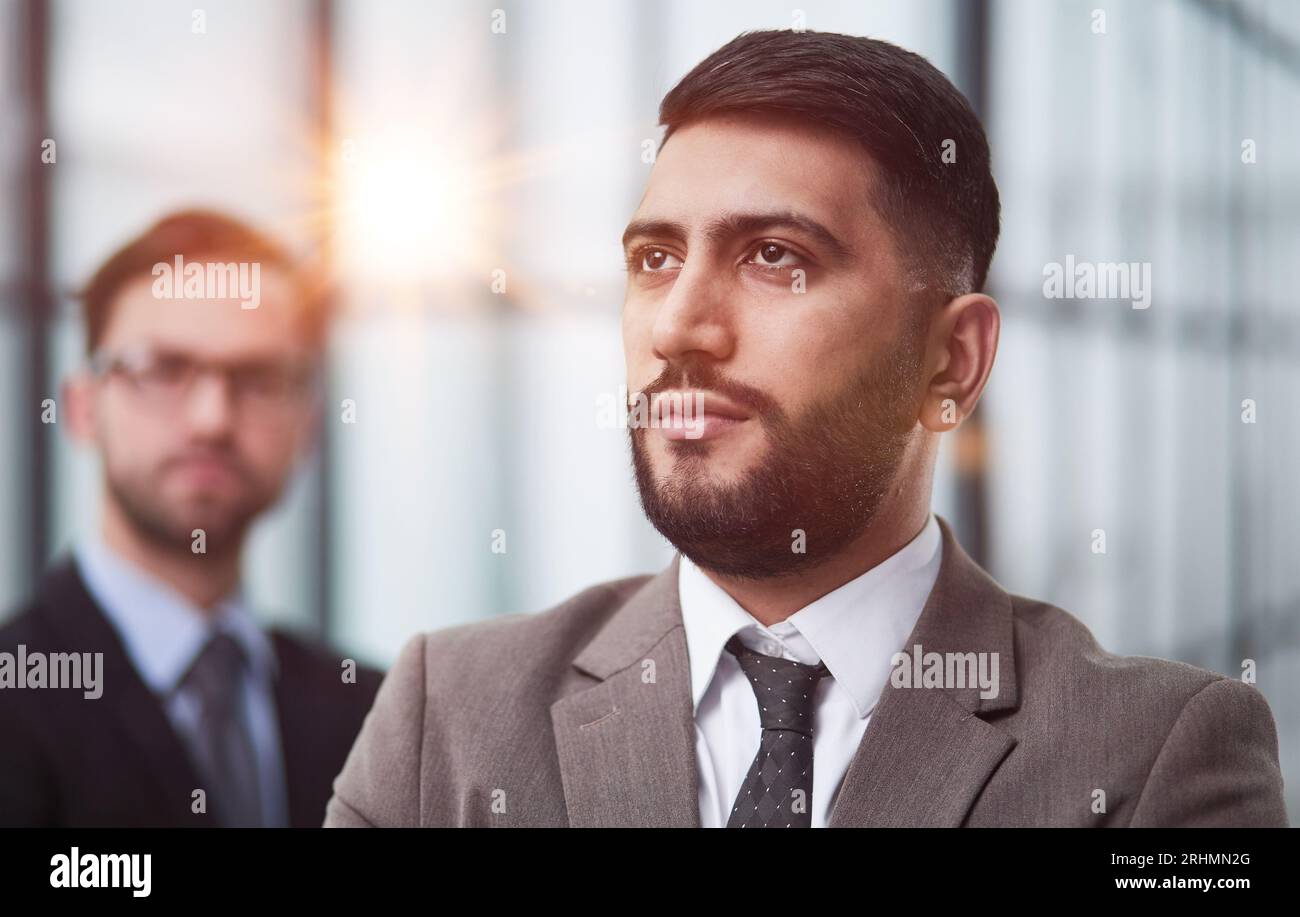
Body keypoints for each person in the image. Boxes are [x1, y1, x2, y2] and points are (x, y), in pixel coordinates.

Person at [324, 29, 1286, 827]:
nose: (678, 327)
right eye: (656, 258)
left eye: (774, 256)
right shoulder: (442, 718)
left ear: (951, 361)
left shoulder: (1158, 760)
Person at [0, 210, 381, 827]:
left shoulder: (379, 714)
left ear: (307, 425)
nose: (212, 419)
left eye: (257, 378)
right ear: (82, 409)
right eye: (164, 369)